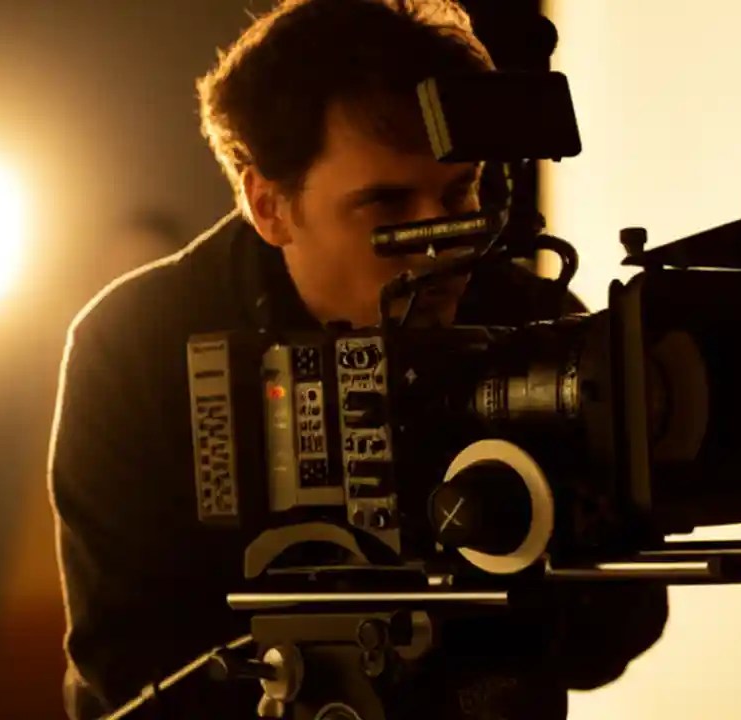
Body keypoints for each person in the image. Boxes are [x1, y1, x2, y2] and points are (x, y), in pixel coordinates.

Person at [47, 1, 668, 717]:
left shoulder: (539, 327)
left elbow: (617, 630)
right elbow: (123, 657)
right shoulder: (134, 344)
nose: (440, 241)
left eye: (459, 191)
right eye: (387, 205)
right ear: (269, 204)